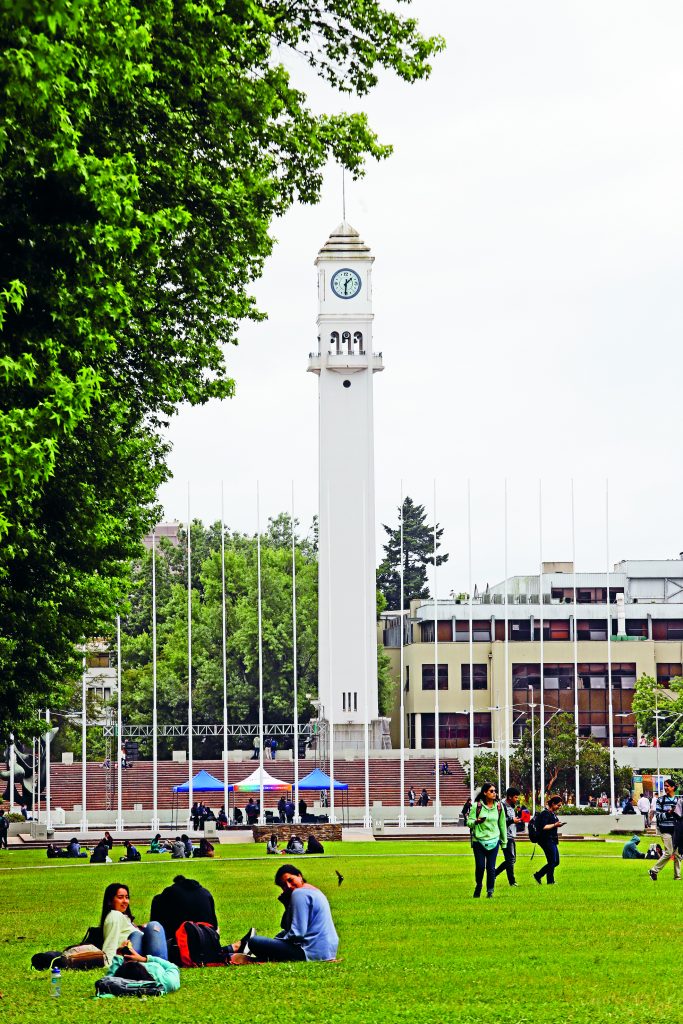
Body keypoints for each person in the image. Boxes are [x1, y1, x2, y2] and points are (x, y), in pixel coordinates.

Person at [230, 863, 338, 963]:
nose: (289, 886)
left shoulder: (299, 894)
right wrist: (287, 905)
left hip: (309, 952)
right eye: (283, 885)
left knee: (254, 941)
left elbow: (297, 934)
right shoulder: (313, 890)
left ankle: (260, 956)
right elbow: (286, 927)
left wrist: (276, 942)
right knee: (281, 934)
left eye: (290, 880)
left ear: (299, 876)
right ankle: (266, 955)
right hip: (327, 951)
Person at [99, 882, 168, 966]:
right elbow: (110, 944)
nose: (125, 901)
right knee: (153, 925)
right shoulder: (114, 915)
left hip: (142, 957)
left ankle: (160, 964)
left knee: (151, 926)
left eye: (127, 897)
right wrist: (109, 964)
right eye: (120, 897)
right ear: (109, 901)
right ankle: (162, 965)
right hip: (133, 959)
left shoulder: (122, 917)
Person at [150, 875, 218, 943]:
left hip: (178, 943)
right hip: (207, 942)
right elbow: (215, 926)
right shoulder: (206, 893)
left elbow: (156, 924)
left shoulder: (169, 892)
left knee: (152, 926)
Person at [467, 782, 507, 898]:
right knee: (480, 867)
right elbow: (469, 822)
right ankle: (479, 885)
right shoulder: (477, 806)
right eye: (491, 791)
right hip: (478, 841)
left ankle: (490, 891)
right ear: (485, 793)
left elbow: (502, 825)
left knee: (491, 868)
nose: (494, 793)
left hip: (494, 840)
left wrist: (504, 842)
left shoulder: (499, 807)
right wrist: (476, 821)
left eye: (495, 791)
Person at [101, 946, 180, 995]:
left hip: (137, 956)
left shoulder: (115, 983)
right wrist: (144, 959)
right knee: (153, 926)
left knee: (135, 934)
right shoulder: (165, 983)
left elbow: (109, 979)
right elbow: (172, 967)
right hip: (155, 955)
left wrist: (119, 955)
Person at [648, 778, 682, 881]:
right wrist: (669, 813)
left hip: (677, 830)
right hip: (665, 830)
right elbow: (658, 816)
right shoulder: (660, 800)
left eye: (667, 786)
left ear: (673, 788)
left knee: (677, 854)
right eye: (665, 786)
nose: (666, 788)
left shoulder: (679, 801)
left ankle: (677, 877)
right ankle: (654, 870)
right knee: (669, 852)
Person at [533, 795, 564, 886]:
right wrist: (555, 825)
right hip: (546, 840)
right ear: (553, 803)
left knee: (556, 862)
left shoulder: (552, 813)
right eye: (558, 805)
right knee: (552, 861)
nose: (559, 807)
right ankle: (550, 881)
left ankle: (539, 875)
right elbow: (544, 827)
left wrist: (557, 824)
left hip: (552, 840)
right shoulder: (545, 813)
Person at [495, 787, 521, 887]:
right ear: (509, 797)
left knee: (511, 860)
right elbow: (500, 822)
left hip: (510, 835)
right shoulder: (501, 806)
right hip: (505, 836)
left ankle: (495, 874)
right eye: (515, 797)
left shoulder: (511, 806)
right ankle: (511, 881)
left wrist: (515, 821)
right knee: (510, 859)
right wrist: (512, 821)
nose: (517, 799)